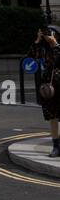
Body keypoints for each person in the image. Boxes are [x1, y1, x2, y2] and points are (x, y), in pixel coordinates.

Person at [27, 26, 60, 156]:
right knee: (52, 116)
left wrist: (55, 44)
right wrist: (37, 40)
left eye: (49, 33)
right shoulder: (43, 49)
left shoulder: (58, 47)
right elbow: (30, 57)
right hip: (48, 87)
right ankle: (56, 146)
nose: (47, 36)